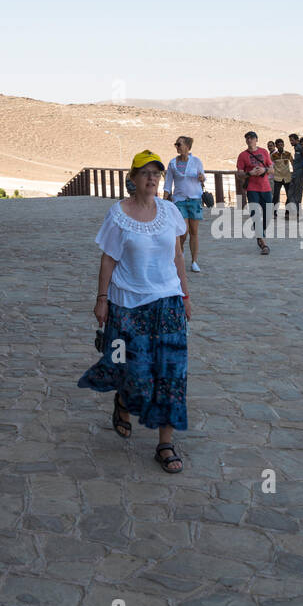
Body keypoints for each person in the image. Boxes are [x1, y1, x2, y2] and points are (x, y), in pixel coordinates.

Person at [78, 150, 191, 474]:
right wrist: (102, 299)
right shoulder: (118, 215)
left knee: (171, 373)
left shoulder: (170, 211)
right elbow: (108, 259)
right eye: (145, 173)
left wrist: (185, 295)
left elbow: (178, 256)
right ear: (133, 179)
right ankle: (124, 401)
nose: (152, 178)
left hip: (167, 300)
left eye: (156, 173)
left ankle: (165, 443)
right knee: (136, 371)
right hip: (128, 304)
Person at [163, 135, 206, 273]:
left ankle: (194, 261)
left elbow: (203, 177)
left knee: (194, 232)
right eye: (176, 144)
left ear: (187, 146)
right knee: (183, 231)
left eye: (179, 144)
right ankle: (178, 257)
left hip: (195, 200)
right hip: (179, 200)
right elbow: (168, 183)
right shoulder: (172, 163)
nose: (177, 147)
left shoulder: (196, 161)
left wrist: (201, 178)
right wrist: (163, 202)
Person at [236, 131, 273, 253]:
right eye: (247, 138)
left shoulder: (264, 152)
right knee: (255, 214)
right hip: (252, 189)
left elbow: (272, 169)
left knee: (268, 215)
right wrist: (249, 173)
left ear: (256, 139)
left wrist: (264, 170)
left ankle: (259, 233)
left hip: (266, 188)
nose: (249, 140)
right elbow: (239, 174)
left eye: (251, 138)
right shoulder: (242, 155)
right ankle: (263, 243)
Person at [271, 138, 293, 210]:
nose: (281, 146)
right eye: (279, 145)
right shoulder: (273, 155)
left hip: (287, 178)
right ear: (276, 146)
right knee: (276, 196)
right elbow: (270, 165)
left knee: (289, 196)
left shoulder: (288, 154)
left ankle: (287, 211)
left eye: (282, 144)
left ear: (284, 145)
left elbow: (293, 164)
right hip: (277, 178)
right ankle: (274, 212)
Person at [288, 132, 303, 214]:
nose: (291, 142)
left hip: (299, 174)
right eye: (290, 141)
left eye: (292, 140)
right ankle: (295, 210)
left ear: (297, 140)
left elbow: (302, 161)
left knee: (297, 193)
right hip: (295, 173)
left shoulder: (299, 148)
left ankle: (297, 211)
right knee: (291, 192)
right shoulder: (296, 148)